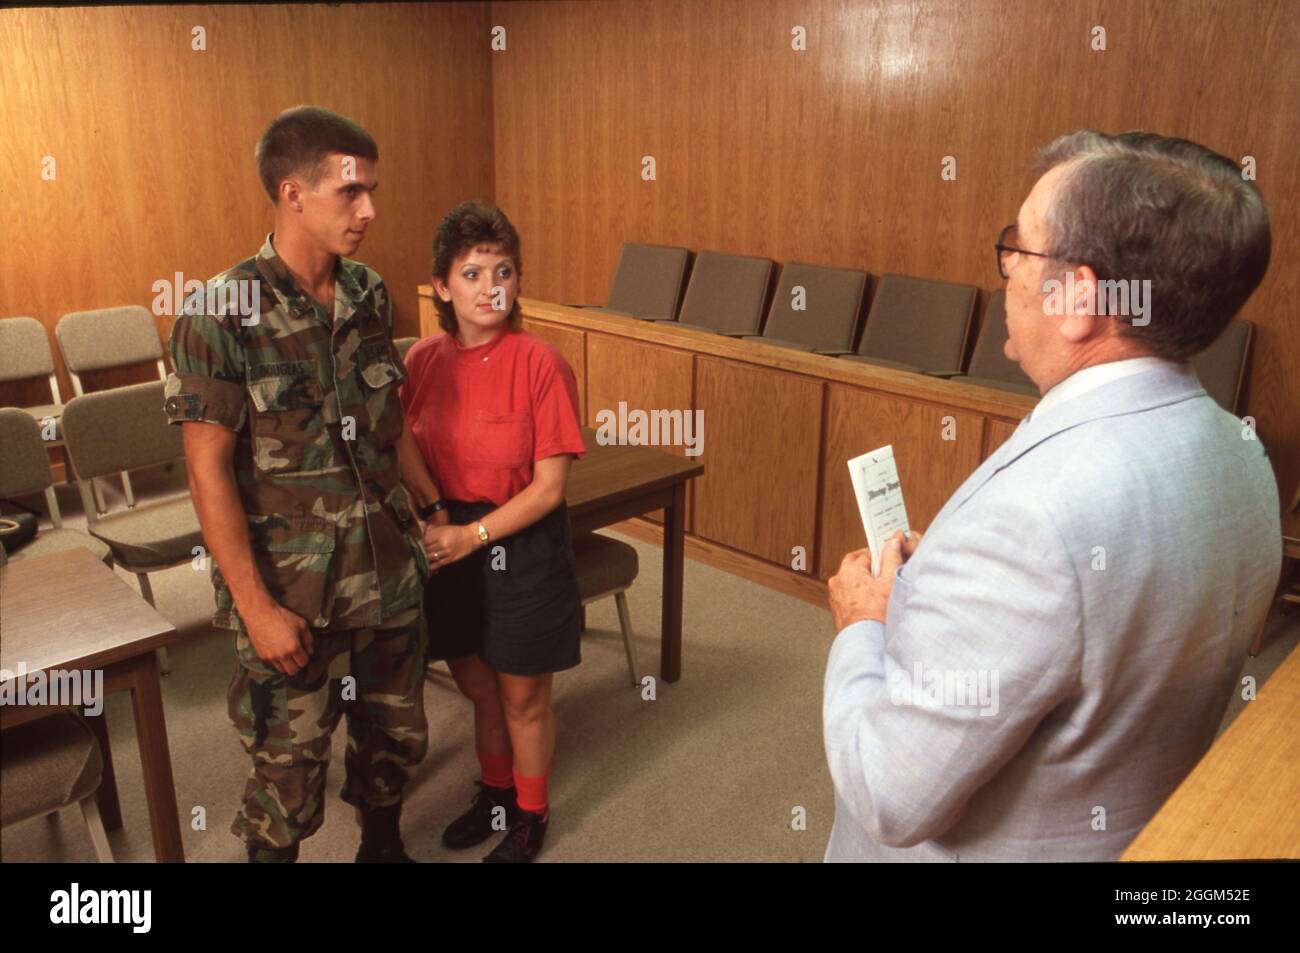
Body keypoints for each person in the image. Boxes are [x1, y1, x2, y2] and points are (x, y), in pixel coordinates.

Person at [822, 130, 1281, 862]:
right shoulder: (1245, 453)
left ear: (1079, 300)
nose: (1006, 270)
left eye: (1018, 249)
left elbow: (887, 791)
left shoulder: (1034, 519)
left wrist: (864, 625)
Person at [165, 105, 437, 863]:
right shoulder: (220, 312)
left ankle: (383, 849)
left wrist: (434, 510)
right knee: (289, 769)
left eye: (372, 190)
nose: (370, 210)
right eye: (350, 192)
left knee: (397, 734)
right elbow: (206, 469)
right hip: (292, 588)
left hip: (384, 565)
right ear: (292, 193)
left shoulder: (370, 295)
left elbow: (393, 421)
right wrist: (254, 609)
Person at [397, 200, 586, 863]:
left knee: (521, 694)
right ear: (443, 287)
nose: (490, 287)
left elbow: (550, 488)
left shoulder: (540, 363)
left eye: (502, 270)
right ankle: (496, 793)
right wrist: (434, 517)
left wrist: (472, 535)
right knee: (478, 686)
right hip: (448, 536)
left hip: (517, 542)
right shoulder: (421, 360)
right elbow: (399, 443)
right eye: (472, 273)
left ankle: (530, 815)